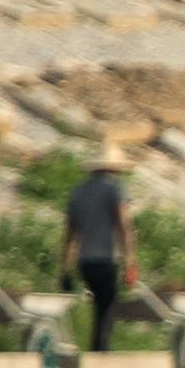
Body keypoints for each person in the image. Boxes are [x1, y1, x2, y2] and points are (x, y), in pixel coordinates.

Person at [63, 147, 139, 352]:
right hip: (107, 259)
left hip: (84, 261)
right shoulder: (115, 189)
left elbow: (70, 232)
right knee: (106, 309)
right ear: (113, 169)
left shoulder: (78, 191)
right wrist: (130, 262)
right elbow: (124, 225)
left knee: (98, 306)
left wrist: (65, 268)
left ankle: (95, 350)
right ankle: (100, 353)